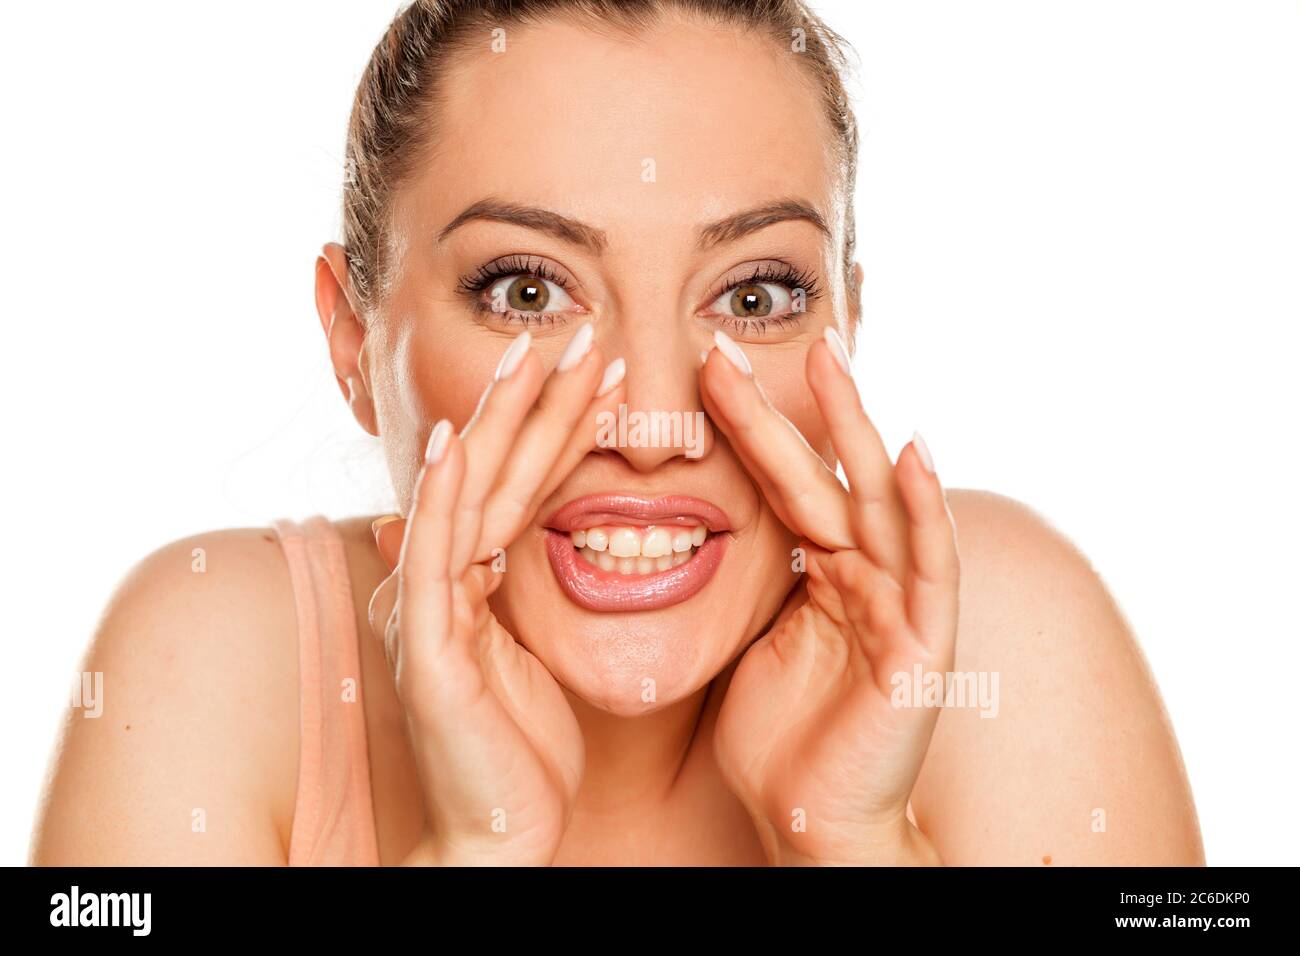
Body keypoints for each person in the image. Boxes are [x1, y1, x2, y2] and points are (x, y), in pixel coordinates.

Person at [30, 0, 1203, 866]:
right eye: (527, 289)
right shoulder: (208, 662)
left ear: (850, 318)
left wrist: (851, 840)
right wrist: (479, 849)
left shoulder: (1005, 630)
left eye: (754, 296)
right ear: (352, 340)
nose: (650, 420)